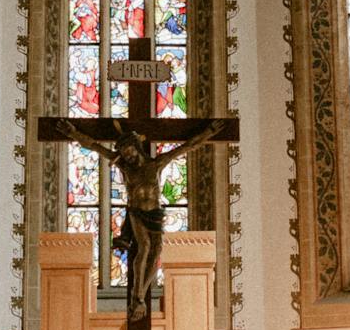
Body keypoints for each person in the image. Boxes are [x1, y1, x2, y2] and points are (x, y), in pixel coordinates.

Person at [49, 117, 222, 318]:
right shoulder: (125, 167)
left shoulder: (157, 163)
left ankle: (141, 293)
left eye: (129, 151)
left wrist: (208, 133)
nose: (127, 156)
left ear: (136, 146)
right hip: (136, 213)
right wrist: (73, 133)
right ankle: (137, 294)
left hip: (155, 213)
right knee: (145, 247)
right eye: (123, 153)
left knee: (156, 251)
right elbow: (94, 146)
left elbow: (186, 147)